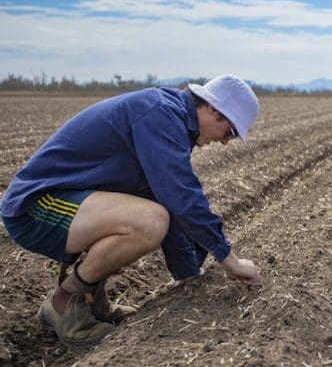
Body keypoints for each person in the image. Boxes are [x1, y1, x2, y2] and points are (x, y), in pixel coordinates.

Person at [1, 74, 262, 347]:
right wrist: (229, 259)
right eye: (230, 131)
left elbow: (170, 202)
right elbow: (182, 197)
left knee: (153, 215)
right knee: (150, 222)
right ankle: (64, 301)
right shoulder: (161, 115)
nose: (225, 141)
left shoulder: (173, 120)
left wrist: (188, 278)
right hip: (36, 205)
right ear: (212, 108)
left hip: (75, 200)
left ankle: (92, 301)